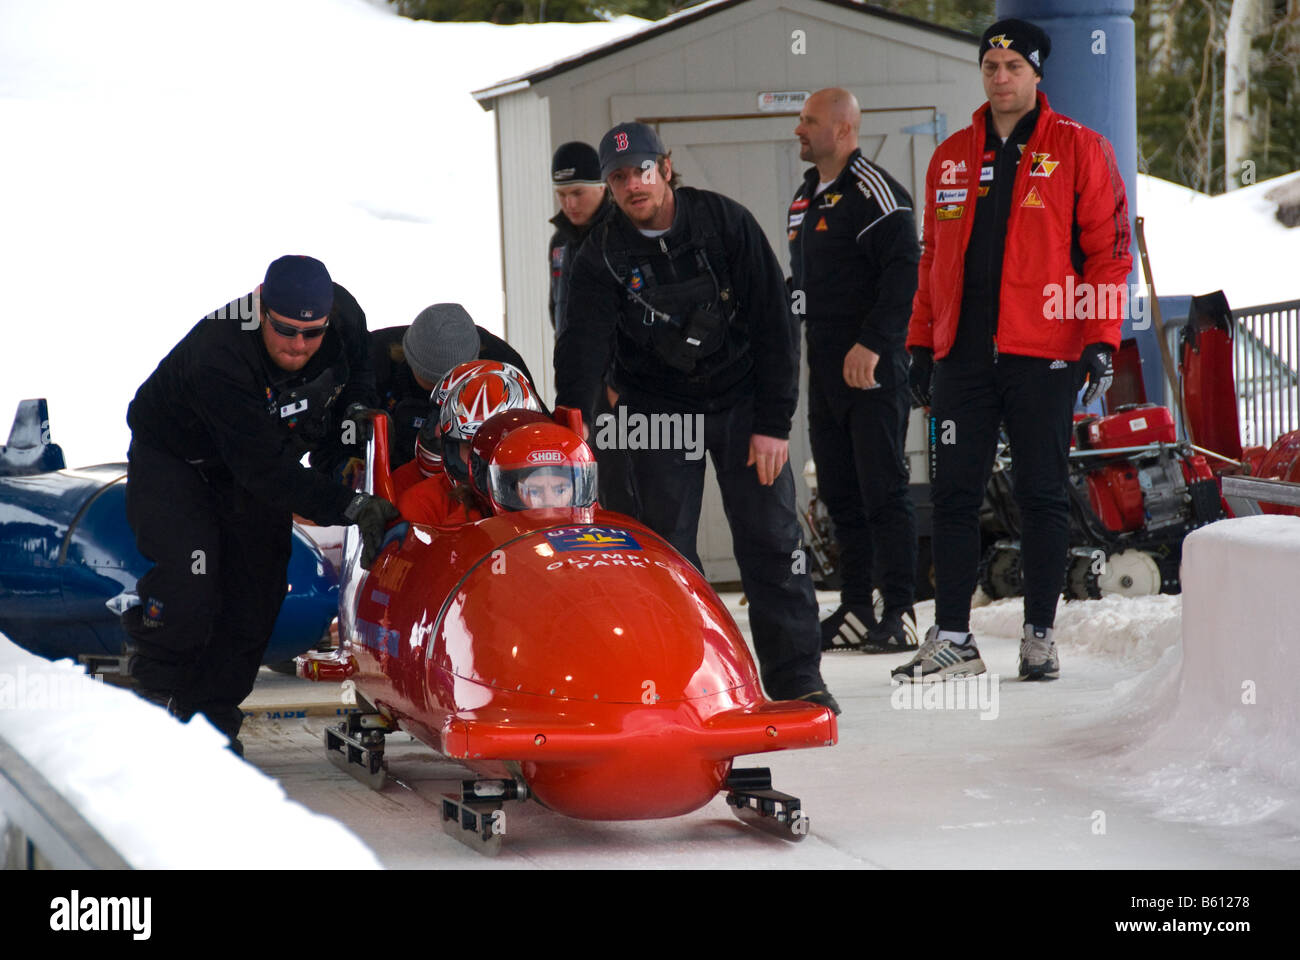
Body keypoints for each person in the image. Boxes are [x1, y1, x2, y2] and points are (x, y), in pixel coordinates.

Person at [555, 121, 840, 715]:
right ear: (609, 185)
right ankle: (679, 683)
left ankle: (797, 680)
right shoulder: (598, 253)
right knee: (665, 554)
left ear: (666, 167)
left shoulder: (724, 222)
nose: (633, 184)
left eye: (643, 170)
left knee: (771, 542)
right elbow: (579, 350)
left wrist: (775, 424)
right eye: (619, 176)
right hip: (656, 414)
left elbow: (775, 326)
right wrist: (573, 432)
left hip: (742, 407)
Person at [897, 18, 1131, 683]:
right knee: (953, 495)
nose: (1001, 78)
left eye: (1013, 67)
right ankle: (953, 640)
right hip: (961, 358)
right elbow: (933, 259)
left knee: (1041, 494)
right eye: (991, 66)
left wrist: (1099, 339)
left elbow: (1109, 255)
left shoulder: (1080, 148)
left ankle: (1038, 635)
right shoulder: (951, 155)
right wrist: (920, 342)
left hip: (1044, 352)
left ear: (1037, 75)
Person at [123, 256, 399, 753]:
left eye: (310, 334)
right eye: (285, 330)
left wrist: (355, 413)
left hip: (255, 459)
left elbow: (360, 373)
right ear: (259, 306)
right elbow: (265, 472)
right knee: (194, 576)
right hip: (179, 460)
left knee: (260, 589)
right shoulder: (220, 353)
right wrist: (350, 506)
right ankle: (153, 690)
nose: (298, 345)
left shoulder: (345, 317)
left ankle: (210, 721)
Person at [788, 87, 921, 654]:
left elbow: (904, 272)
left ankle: (903, 610)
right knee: (840, 493)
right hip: (824, 372)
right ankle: (856, 608)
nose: (799, 129)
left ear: (842, 130)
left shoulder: (876, 192)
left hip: (872, 370)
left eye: (808, 120)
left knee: (882, 491)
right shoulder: (804, 197)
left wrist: (872, 343)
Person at [549, 141, 636, 517]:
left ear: (603, 186)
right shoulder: (560, 242)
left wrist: (618, 379)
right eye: (562, 194)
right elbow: (560, 312)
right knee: (587, 488)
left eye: (578, 193)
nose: (570, 203)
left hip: (622, 388)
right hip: (577, 387)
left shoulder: (625, 236)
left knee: (627, 491)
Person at [370, 303, 533, 470]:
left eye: (453, 386)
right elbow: (349, 430)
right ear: (410, 362)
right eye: (432, 383)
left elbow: (532, 434)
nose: (441, 393)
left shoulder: (506, 370)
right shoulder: (373, 359)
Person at [398, 366, 541, 526]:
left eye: (501, 448)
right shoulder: (422, 504)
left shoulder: (555, 492)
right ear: (453, 449)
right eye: (471, 447)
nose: (487, 462)